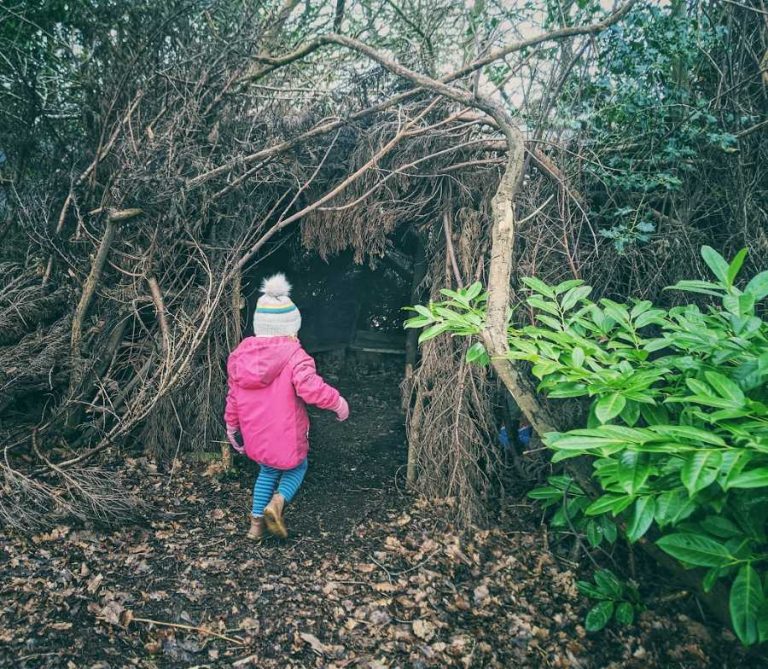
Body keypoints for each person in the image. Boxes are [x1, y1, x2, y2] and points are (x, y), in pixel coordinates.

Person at [224, 273, 349, 540]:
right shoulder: (295, 356)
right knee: (297, 467)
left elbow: (233, 396)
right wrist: (338, 402)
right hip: (287, 431)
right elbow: (310, 388)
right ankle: (277, 503)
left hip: (255, 433)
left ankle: (255, 526)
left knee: (267, 470)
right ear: (292, 329)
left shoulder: (239, 357)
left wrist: (232, 425)